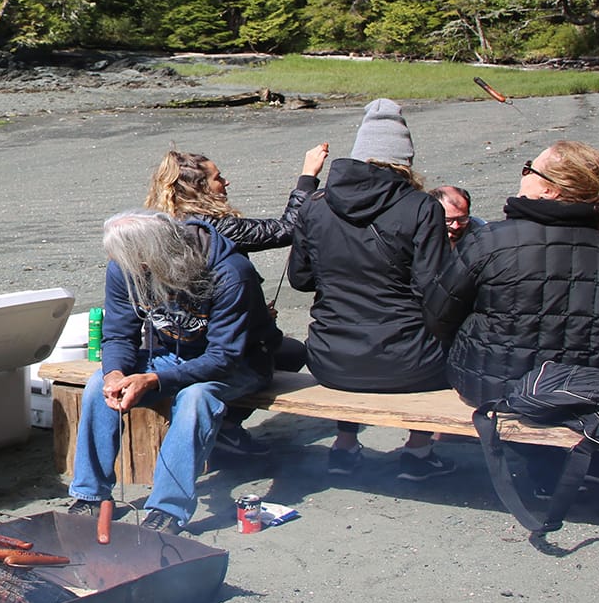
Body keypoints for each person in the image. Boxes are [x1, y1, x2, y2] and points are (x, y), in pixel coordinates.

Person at [436, 141, 599, 485]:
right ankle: (584, 460)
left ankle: (550, 466)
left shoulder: (490, 239)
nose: (524, 174)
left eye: (529, 168)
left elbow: (441, 313)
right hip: (591, 386)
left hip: (497, 383)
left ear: (548, 189)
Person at [66, 210, 297, 534]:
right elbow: (119, 334)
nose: (127, 270)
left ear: (153, 257)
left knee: (195, 397)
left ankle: (167, 510)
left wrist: (154, 379)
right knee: (96, 386)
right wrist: (115, 375)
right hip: (175, 357)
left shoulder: (230, 273)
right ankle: (90, 496)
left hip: (242, 362)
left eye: (137, 267)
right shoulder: (125, 267)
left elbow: (224, 357)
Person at [288, 99, 459, 480]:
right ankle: (418, 450)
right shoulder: (421, 206)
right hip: (410, 364)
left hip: (331, 359)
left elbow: (300, 280)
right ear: (405, 158)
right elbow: (433, 289)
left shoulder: (315, 206)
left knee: (353, 324)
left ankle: (345, 446)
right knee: (439, 331)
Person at [143, 143, 327, 455]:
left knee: (286, 350)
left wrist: (250, 309)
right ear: (200, 189)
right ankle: (225, 426)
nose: (225, 183)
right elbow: (288, 229)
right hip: (207, 346)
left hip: (172, 338)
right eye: (218, 178)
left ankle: (222, 426)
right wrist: (308, 176)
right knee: (292, 354)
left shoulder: (156, 225)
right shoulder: (215, 228)